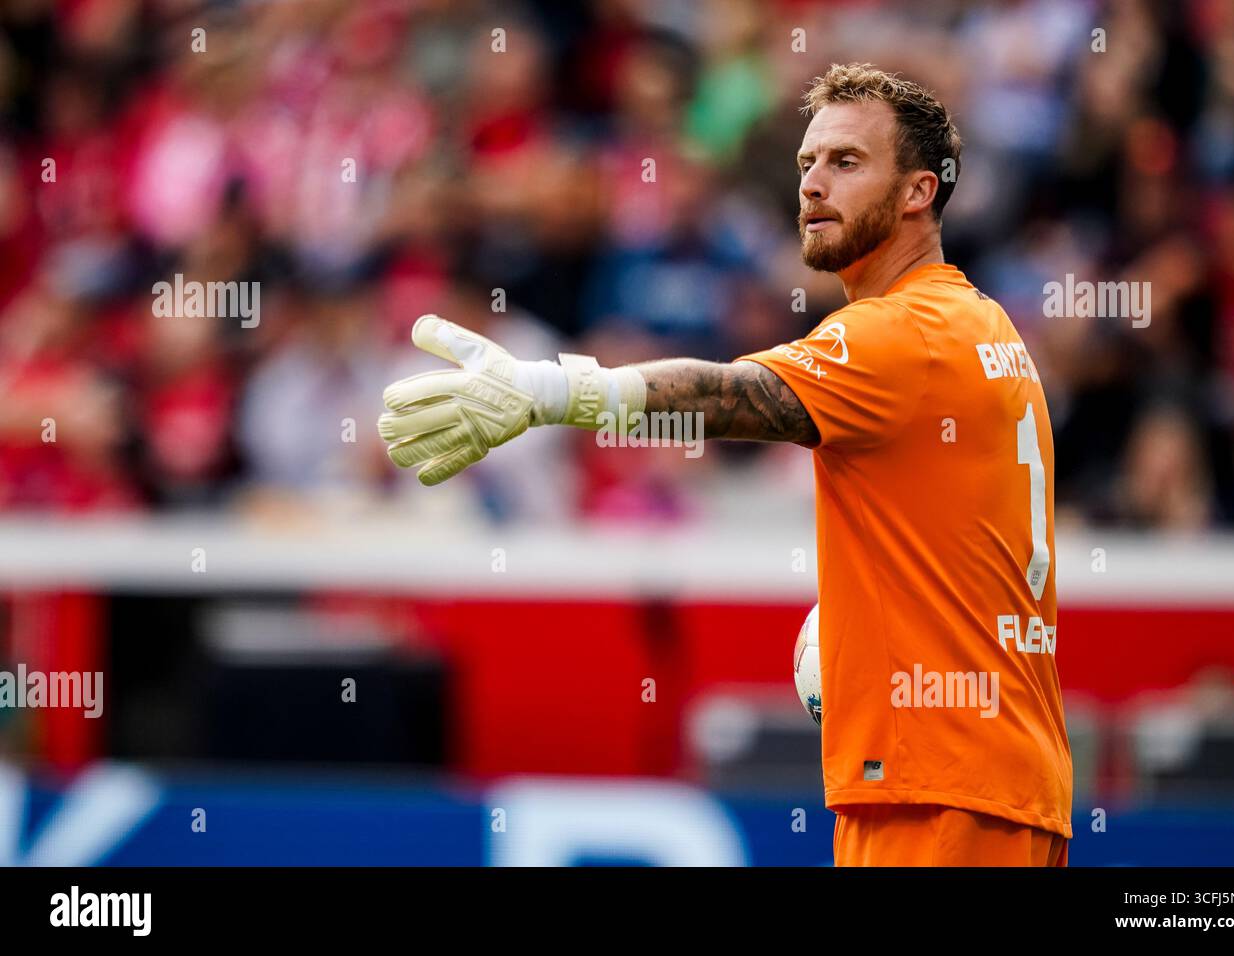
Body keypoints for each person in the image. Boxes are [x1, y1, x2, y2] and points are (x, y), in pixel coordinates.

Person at [377, 63, 1072, 866]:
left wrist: (551, 391)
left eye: (847, 161)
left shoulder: (901, 333)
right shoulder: (982, 327)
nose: (813, 183)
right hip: (992, 777)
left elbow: (730, 395)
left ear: (920, 191)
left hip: (940, 792)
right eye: (808, 162)